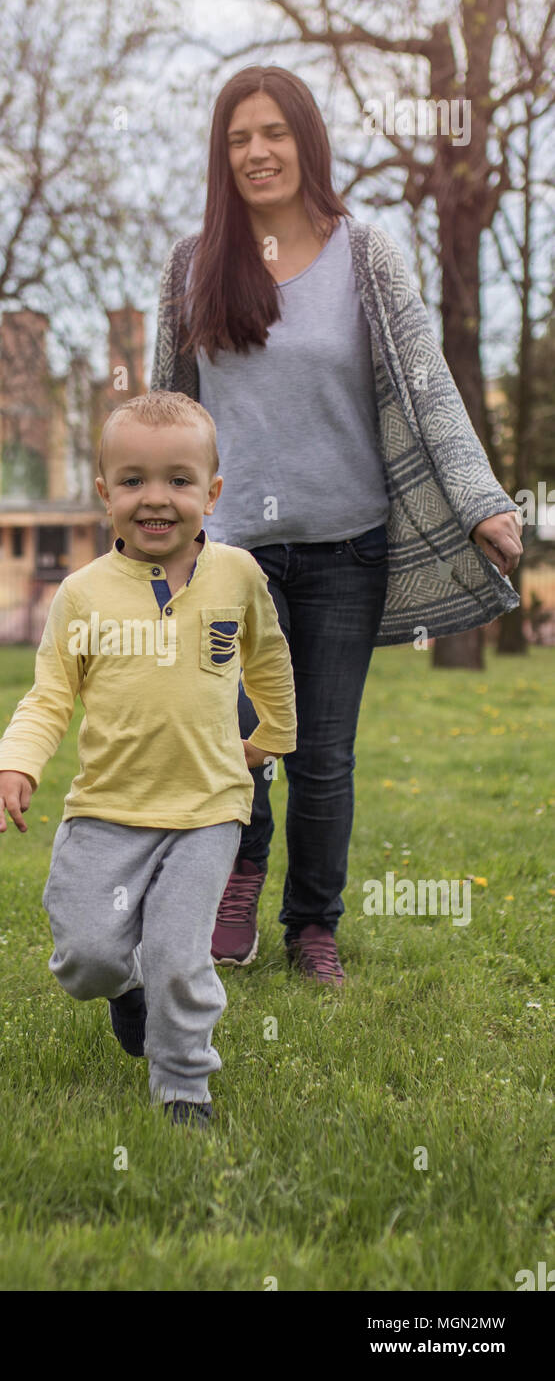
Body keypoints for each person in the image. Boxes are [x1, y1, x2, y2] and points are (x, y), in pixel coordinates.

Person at [151, 64, 524, 985]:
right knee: (236, 738)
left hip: (348, 545)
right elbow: (165, 405)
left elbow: (429, 387)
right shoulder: (194, 264)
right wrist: (146, 525)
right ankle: (237, 874)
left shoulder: (364, 254)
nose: (256, 152)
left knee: (321, 753)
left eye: (273, 132)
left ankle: (311, 925)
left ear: (305, 142)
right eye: (238, 138)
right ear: (221, 154)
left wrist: (481, 501)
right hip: (229, 554)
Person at [0, 390, 296, 1127]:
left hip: (207, 808)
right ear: (104, 493)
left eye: (179, 481)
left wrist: (273, 737)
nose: (156, 499)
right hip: (107, 811)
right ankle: (125, 989)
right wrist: (14, 763)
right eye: (133, 481)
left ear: (211, 492)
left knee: (180, 956)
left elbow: (268, 658)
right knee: (85, 957)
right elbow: (49, 696)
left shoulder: (238, 575)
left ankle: (183, 1087)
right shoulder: (82, 595)